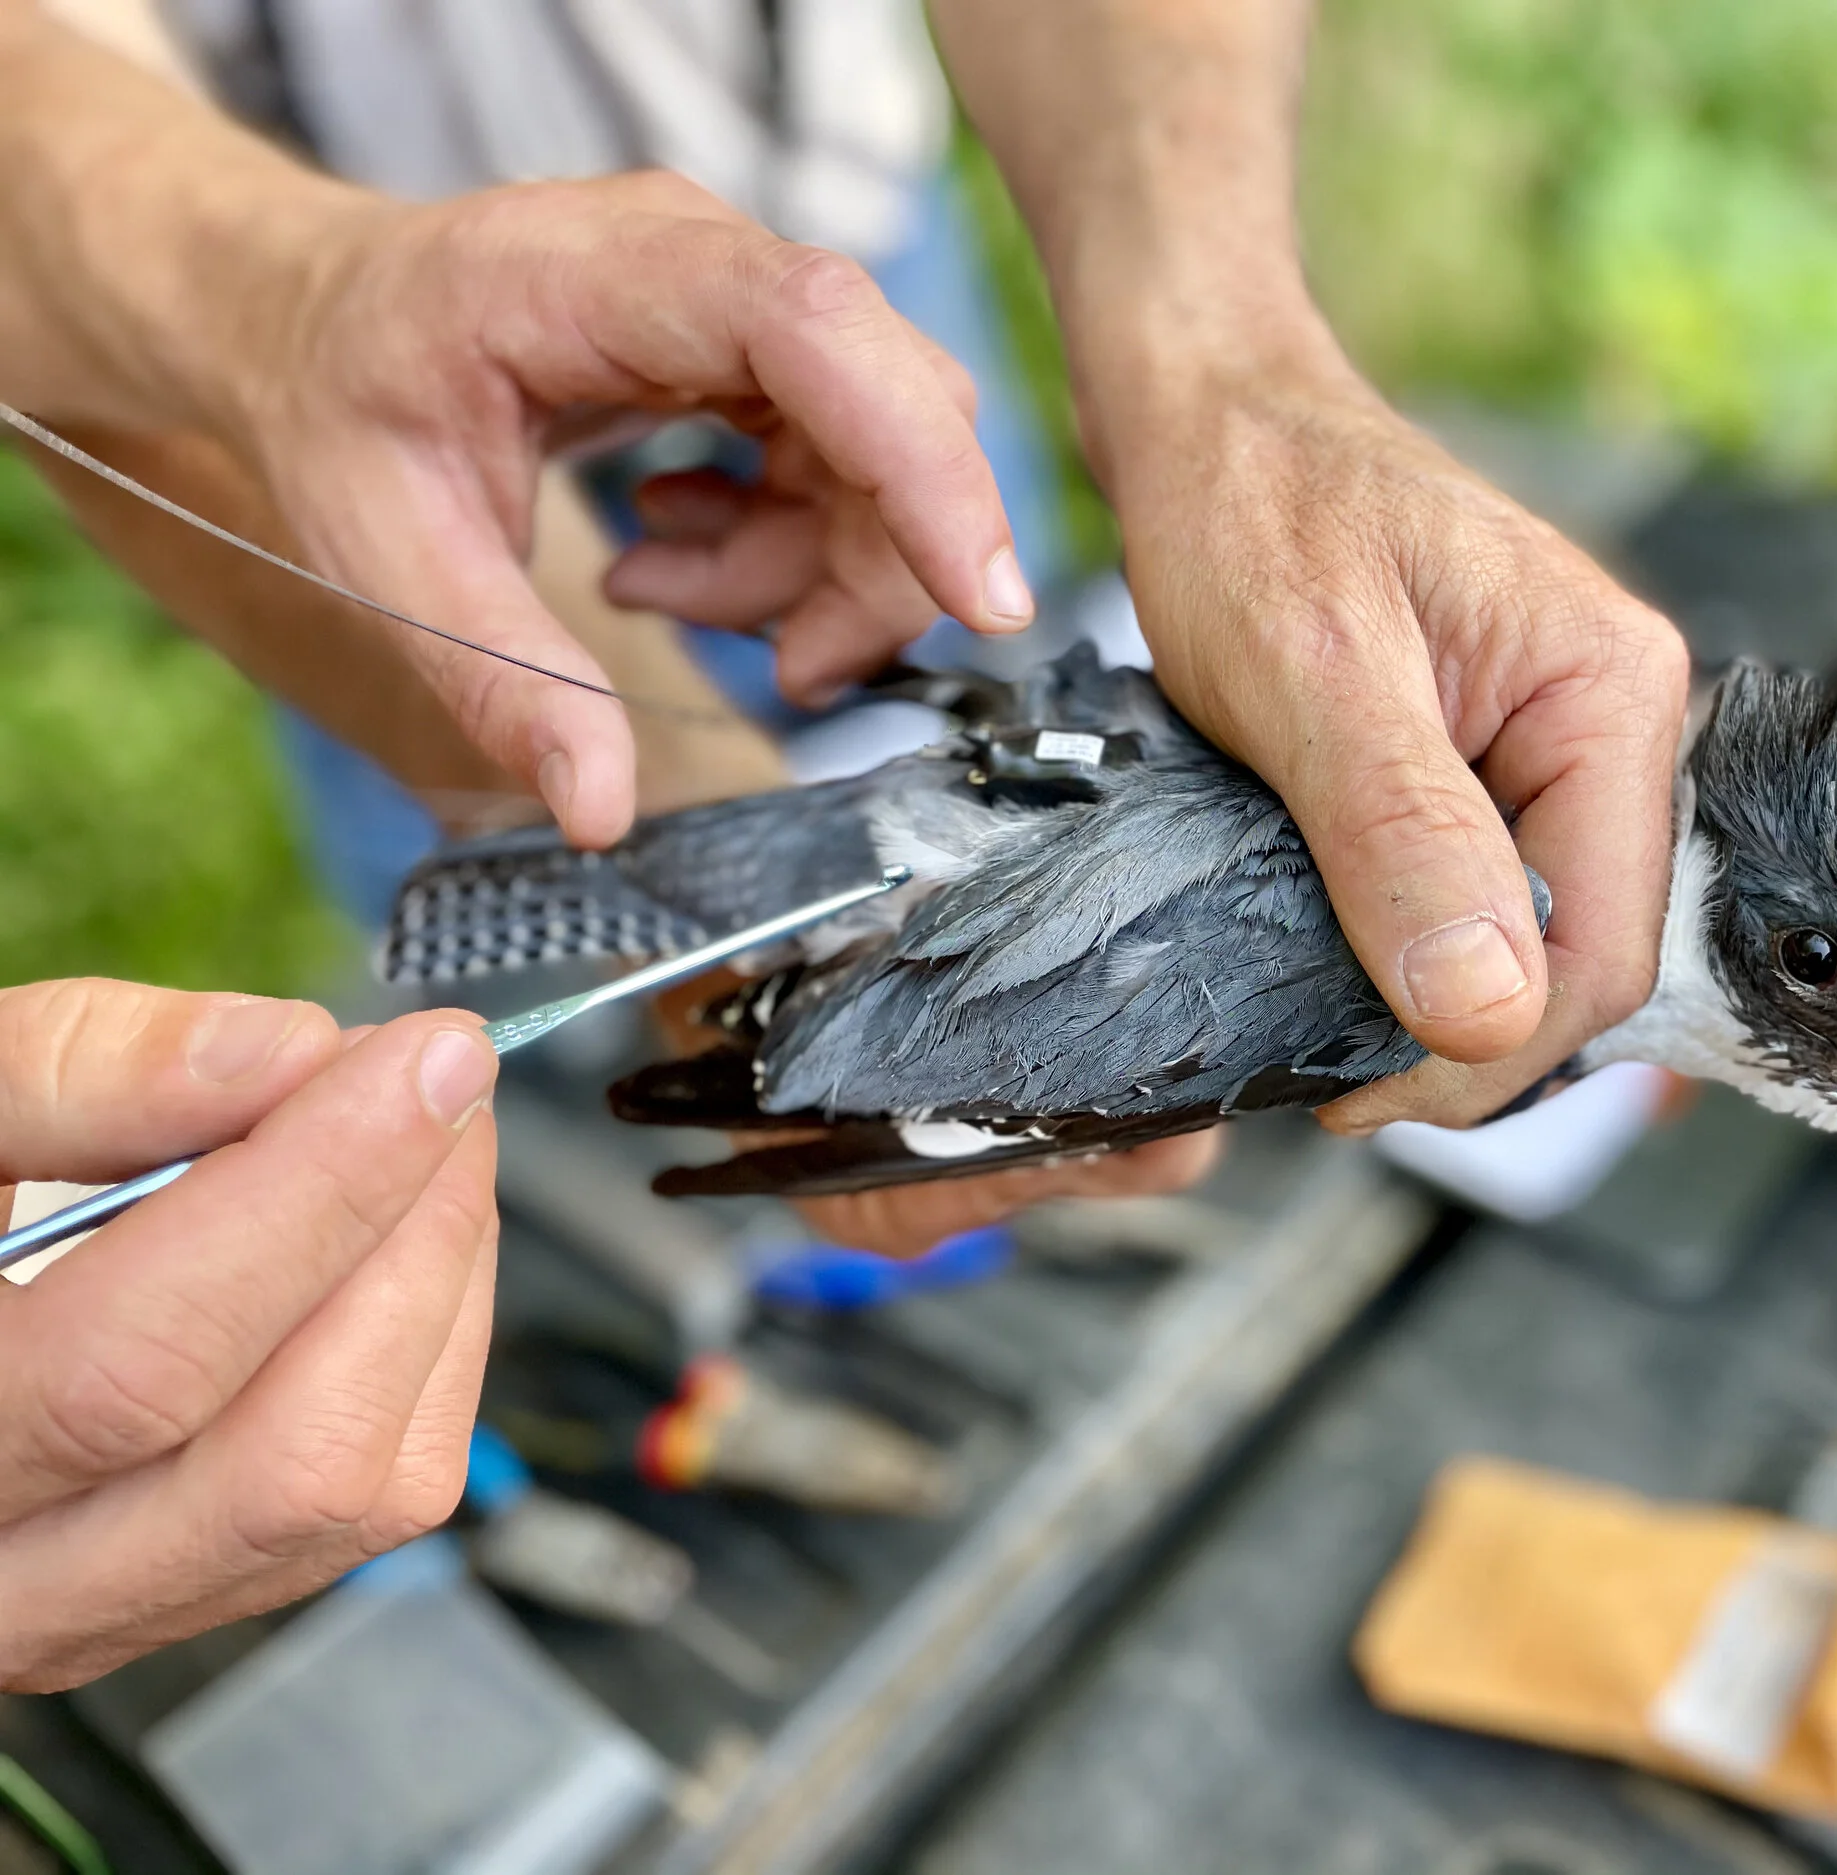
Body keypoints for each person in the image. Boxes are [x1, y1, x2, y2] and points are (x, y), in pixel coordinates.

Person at [0, 0, 1687, 1687]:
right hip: (230, 313)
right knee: (548, 938)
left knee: (847, 840)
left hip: (843, 288)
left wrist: (1221, 360)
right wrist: (278, 299)